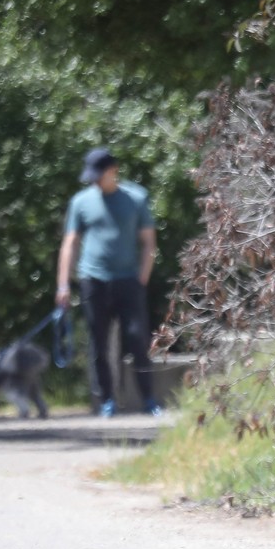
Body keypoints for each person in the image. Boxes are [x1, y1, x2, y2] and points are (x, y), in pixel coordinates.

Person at [56, 148, 162, 418]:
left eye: (98, 175)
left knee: (138, 339)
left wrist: (142, 278)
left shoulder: (136, 198)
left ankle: (148, 399)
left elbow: (149, 241)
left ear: (113, 170)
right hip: (94, 279)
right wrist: (63, 285)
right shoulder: (80, 202)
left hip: (128, 280)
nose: (94, 180)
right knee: (98, 343)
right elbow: (70, 244)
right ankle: (106, 401)